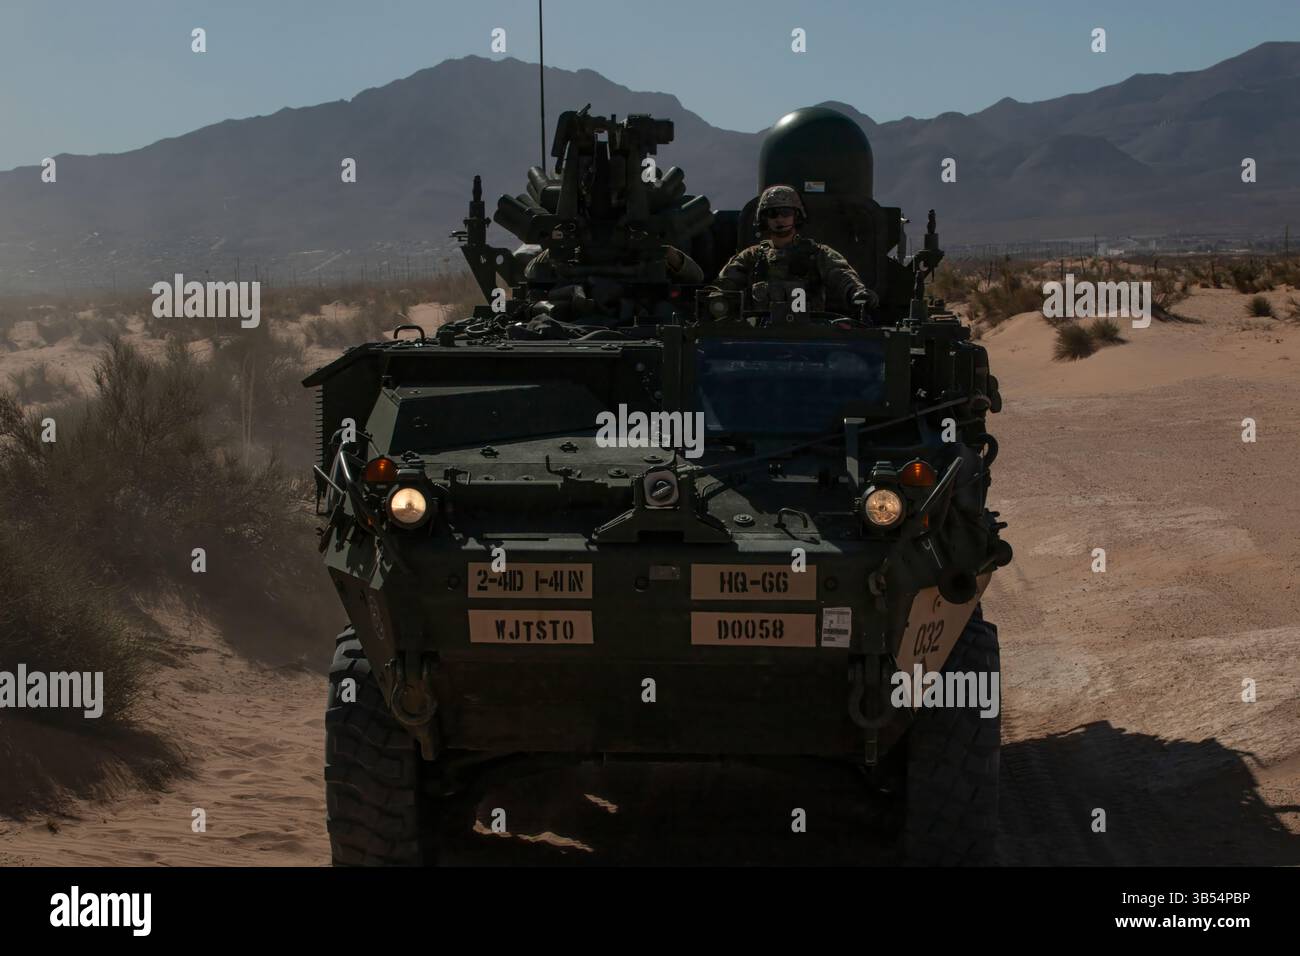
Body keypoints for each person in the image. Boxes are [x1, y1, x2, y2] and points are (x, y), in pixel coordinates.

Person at [708, 184, 879, 314]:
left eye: (785, 212)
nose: (779, 219)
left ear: (796, 216)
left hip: (809, 336)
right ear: (764, 219)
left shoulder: (818, 253)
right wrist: (715, 297)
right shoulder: (751, 256)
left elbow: (841, 274)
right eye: (773, 214)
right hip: (760, 336)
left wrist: (857, 293)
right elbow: (726, 282)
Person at [524, 244, 704, 284]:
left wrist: (670, 255)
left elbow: (697, 277)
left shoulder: (651, 247)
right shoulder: (573, 248)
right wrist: (555, 250)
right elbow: (531, 272)